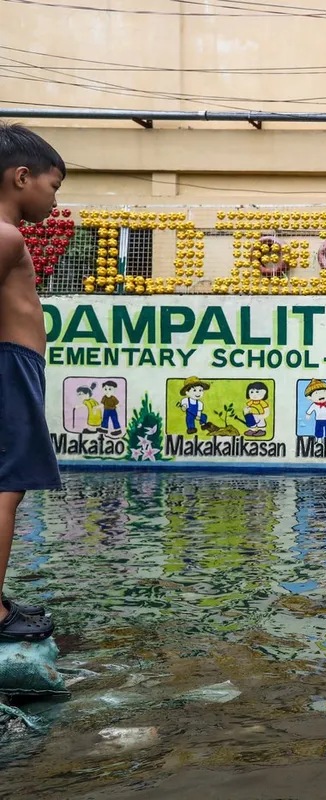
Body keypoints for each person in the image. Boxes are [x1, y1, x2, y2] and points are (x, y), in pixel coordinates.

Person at [0, 123, 65, 641]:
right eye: (53, 186)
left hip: (13, 365)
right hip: (8, 367)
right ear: (22, 177)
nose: (53, 198)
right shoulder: (6, 234)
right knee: (5, 489)